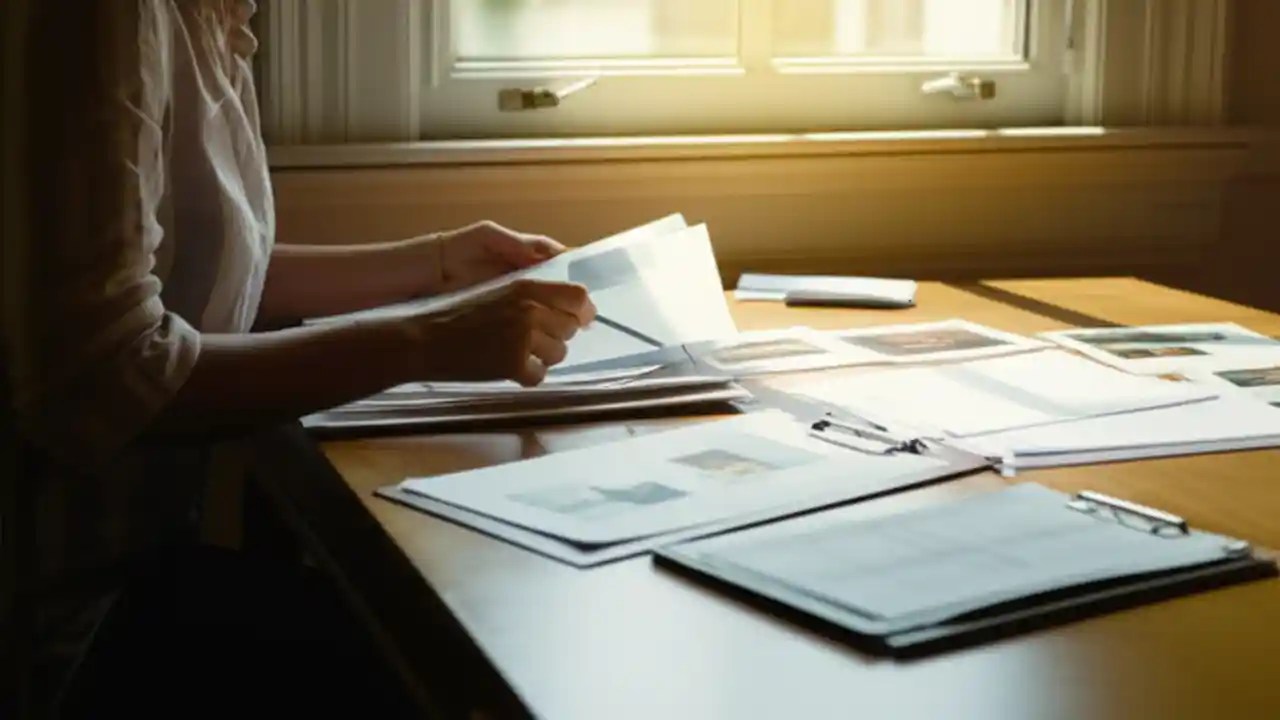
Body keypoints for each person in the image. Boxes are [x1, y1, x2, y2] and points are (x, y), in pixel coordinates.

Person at [1, 1, 596, 716]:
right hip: (63, 631)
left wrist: (436, 264)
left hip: (142, 570)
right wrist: (423, 339)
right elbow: (109, 373)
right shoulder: (102, 20)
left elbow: (189, 273)